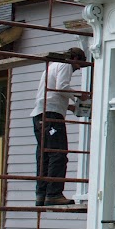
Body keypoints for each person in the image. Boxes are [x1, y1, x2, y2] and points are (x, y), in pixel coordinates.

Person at [32, 47, 87, 206]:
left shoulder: (51, 67)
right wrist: (79, 95)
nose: (76, 69)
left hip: (40, 115)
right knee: (58, 153)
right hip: (51, 116)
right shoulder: (65, 64)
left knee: (44, 155)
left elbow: (53, 92)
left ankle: (41, 194)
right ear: (75, 58)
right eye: (78, 66)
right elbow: (62, 86)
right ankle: (54, 194)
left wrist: (69, 106)